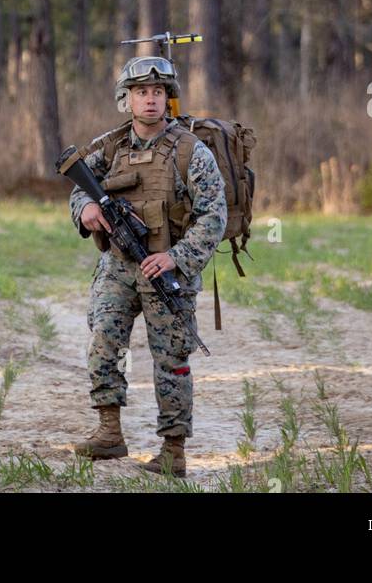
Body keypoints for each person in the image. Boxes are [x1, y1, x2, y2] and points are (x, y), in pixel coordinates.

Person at [68, 54, 227, 478]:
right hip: (118, 267)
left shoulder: (191, 152)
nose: (151, 100)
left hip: (168, 271)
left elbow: (214, 215)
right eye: (142, 92)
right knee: (103, 341)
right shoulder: (110, 146)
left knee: (171, 359)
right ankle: (108, 433)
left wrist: (174, 257)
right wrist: (84, 209)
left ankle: (172, 451)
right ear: (127, 99)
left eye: (158, 92)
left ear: (169, 99)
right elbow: (79, 186)